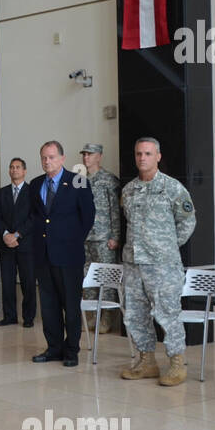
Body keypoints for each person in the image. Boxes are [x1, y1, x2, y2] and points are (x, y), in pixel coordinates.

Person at [119, 137, 196, 386]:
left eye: (148, 154)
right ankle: (147, 362)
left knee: (167, 312)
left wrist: (168, 248)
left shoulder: (173, 188)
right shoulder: (128, 190)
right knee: (136, 314)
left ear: (158, 157)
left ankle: (176, 363)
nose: (142, 158)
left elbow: (187, 221)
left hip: (162, 265)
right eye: (139, 153)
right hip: (133, 263)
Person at [22, 141, 95, 368]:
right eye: (44, 157)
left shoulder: (78, 181)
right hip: (43, 256)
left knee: (70, 305)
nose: (47, 161)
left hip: (69, 255)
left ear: (62, 159)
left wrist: (72, 240)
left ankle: (72, 350)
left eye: (52, 157)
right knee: (49, 305)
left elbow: (88, 216)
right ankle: (53, 347)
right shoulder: (35, 184)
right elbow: (35, 218)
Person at [80, 143, 122, 333]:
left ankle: (106, 319)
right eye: (84, 154)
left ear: (99, 157)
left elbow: (115, 210)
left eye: (90, 154)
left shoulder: (109, 180)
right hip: (84, 236)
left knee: (106, 279)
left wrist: (115, 236)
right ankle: (91, 317)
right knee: (87, 278)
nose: (86, 158)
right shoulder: (79, 180)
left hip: (104, 237)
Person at [0, 158, 36, 327]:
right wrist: (5, 235)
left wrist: (17, 235)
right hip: (6, 245)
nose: (14, 170)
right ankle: (9, 316)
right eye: (11, 167)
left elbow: (34, 217)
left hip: (25, 245)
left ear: (24, 171)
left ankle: (29, 318)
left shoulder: (32, 191)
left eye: (18, 167)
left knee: (28, 283)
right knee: (7, 283)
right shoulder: (1, 192)